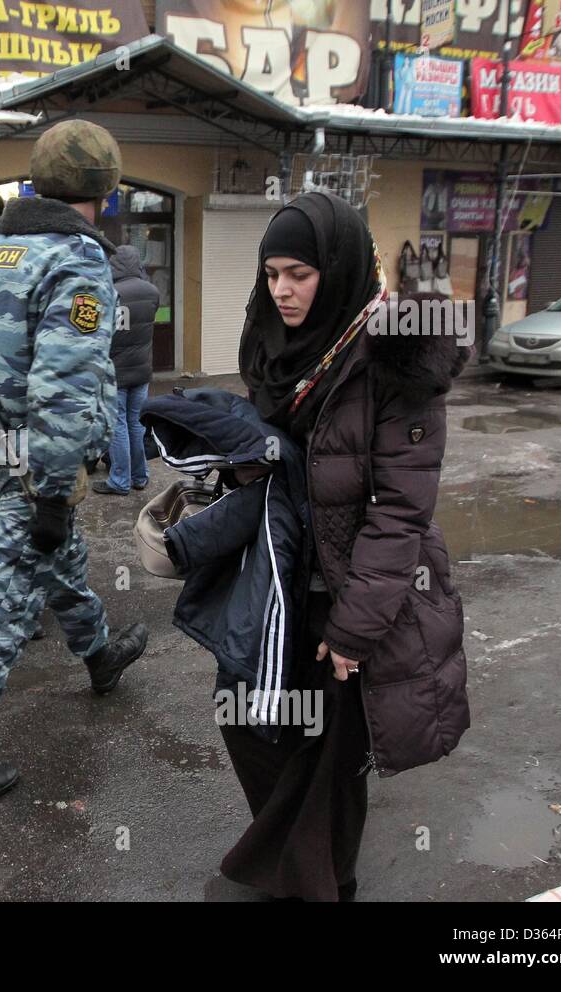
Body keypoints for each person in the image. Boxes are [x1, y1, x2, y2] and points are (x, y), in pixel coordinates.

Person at [225, 190, 470, 901]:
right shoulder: (272, 341)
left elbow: (401, 509)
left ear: (334, 269)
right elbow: (278, 454)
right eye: (272, 273)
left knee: (331, 751)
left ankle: (323, 882)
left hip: (353, 592)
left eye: (299, 273)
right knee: (249, 721)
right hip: (277, 581)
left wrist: (356, 628)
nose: (283, 289)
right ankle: (294, 864)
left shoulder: (395, 357)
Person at [0, 120, 150, 806]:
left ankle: (99, 654)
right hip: (36, 466)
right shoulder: (76, 262)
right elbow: (64, 388)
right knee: (7, 600)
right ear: (104, 191)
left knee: (61, 563)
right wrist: (50, 492)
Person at [92, 244, 158, 496]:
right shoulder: (152, 291)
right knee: (136, 422)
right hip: (142, 371)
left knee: (117, 424)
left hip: (116, 372)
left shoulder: (108, 293)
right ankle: (140, 476)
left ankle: (120, 480)